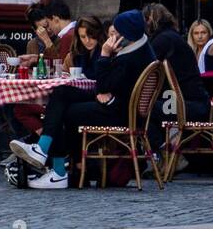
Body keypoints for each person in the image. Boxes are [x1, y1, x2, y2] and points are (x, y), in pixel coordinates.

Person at [10, 10, 157, 189]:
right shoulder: (140, 48)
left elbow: (103, 85)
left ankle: (58, 171)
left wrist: (104, 54)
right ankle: (42, 149)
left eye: (118, 32)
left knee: (64, 112)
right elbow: (104, 86)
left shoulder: (130, 57)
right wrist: (102, 89)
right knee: (63, 92)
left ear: (127, 34)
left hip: (119, 112)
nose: (114, 35)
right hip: (117, 104)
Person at [143, 3, 210, 122]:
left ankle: (157, 141)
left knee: (142, 109)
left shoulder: (162, 40)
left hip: (186, 105)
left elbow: (145, 70)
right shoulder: (172, 36)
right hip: (194, 102)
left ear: (150, 20)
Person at [18, 0, 75, 66]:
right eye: (43, 28)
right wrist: (34, 58)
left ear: (55, 19)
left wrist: (46, 40)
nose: (49, 29)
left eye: (48, 24)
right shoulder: (32, 44)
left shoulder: (65, 36)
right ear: (35, 30)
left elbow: (59, 64)